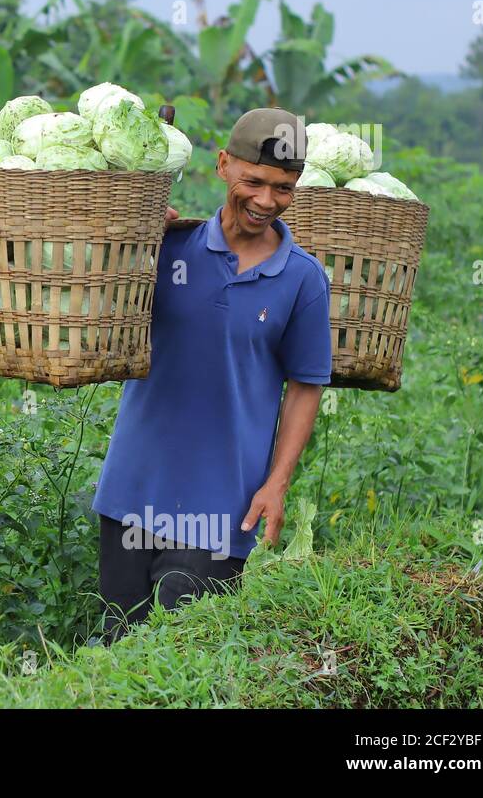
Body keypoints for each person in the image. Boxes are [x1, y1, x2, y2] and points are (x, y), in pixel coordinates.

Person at [91, 107, 332, 643]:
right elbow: (87, 294)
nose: (266, 201)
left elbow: (306, 385)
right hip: (132, 488)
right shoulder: (169, 247)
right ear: (223, 165)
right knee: (115, 646)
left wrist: (277, 482)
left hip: (222, 509)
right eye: (254, 181)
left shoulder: (302, 279)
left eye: (284, 188)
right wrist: (129, 234)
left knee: (184, 656)